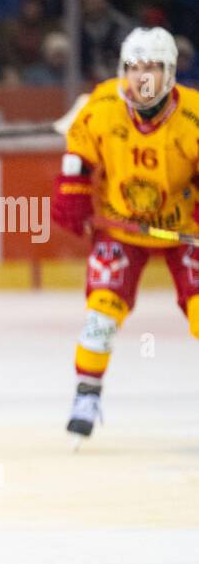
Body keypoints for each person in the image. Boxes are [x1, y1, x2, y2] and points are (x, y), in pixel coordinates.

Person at [52, 28, 199, 439]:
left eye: (152, 67)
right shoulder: (102, 105)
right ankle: (87, 393)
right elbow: (77, 155)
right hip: (121, 225)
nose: (143, 77)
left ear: (170, 72)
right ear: (123, 70)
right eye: (135, 67)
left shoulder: (194, 116)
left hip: (183, 228)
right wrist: (72, 193)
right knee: (101, 314)